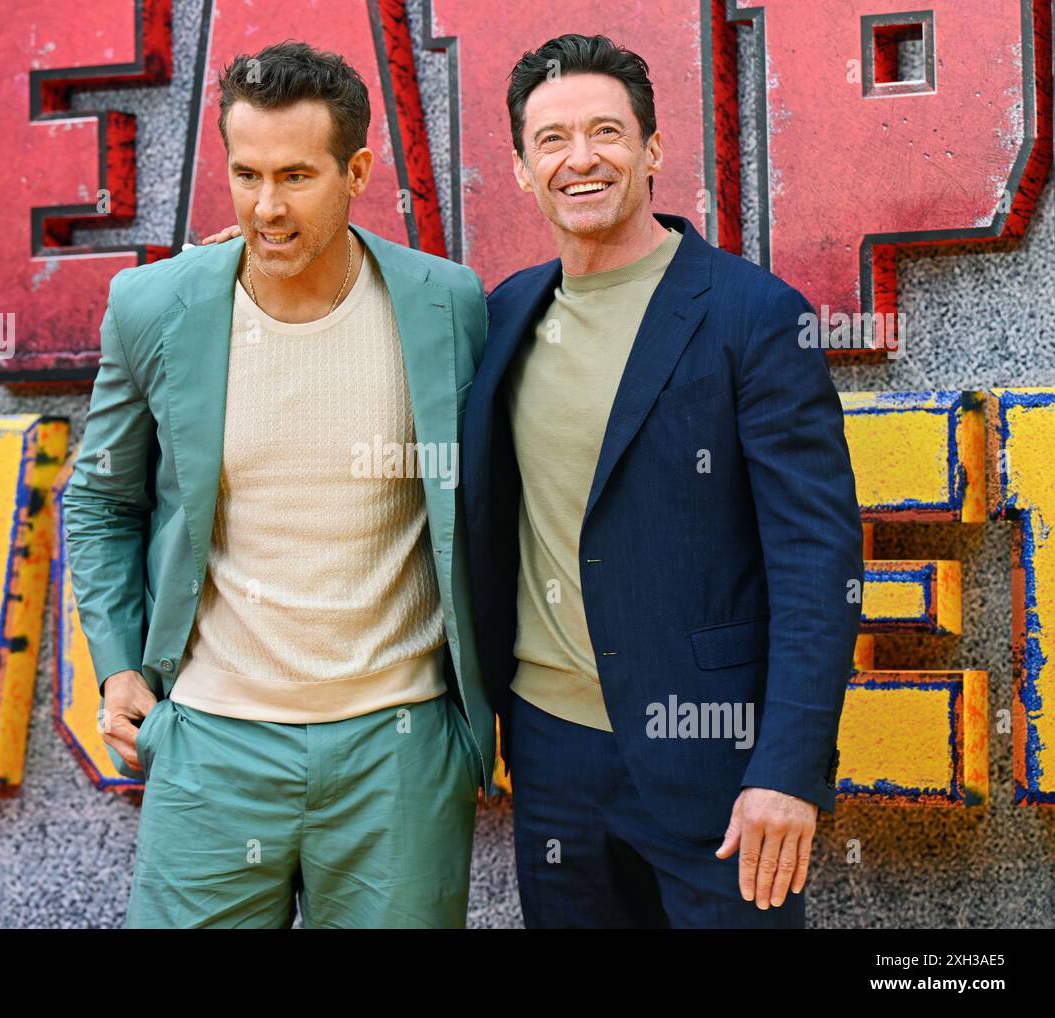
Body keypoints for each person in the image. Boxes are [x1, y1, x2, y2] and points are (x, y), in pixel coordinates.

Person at [62, 40, 493, 929]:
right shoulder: (155, 307)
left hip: (399, 749)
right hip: (211, 745)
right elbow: (102, 500)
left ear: (359, 170)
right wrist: (115, 669)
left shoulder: (448, 304)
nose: (267, 208)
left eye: (296, 176)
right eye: (246, 174)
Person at [461, 34, 864, 928]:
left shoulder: (755, 316)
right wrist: (240, 260)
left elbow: (816, 562)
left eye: (606, 131)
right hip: (550, 753)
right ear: (523, 171)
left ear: (651, 149)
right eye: (551, 139)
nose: (581, 158)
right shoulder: (501, 315)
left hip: (717, 764)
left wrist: (787, 773)